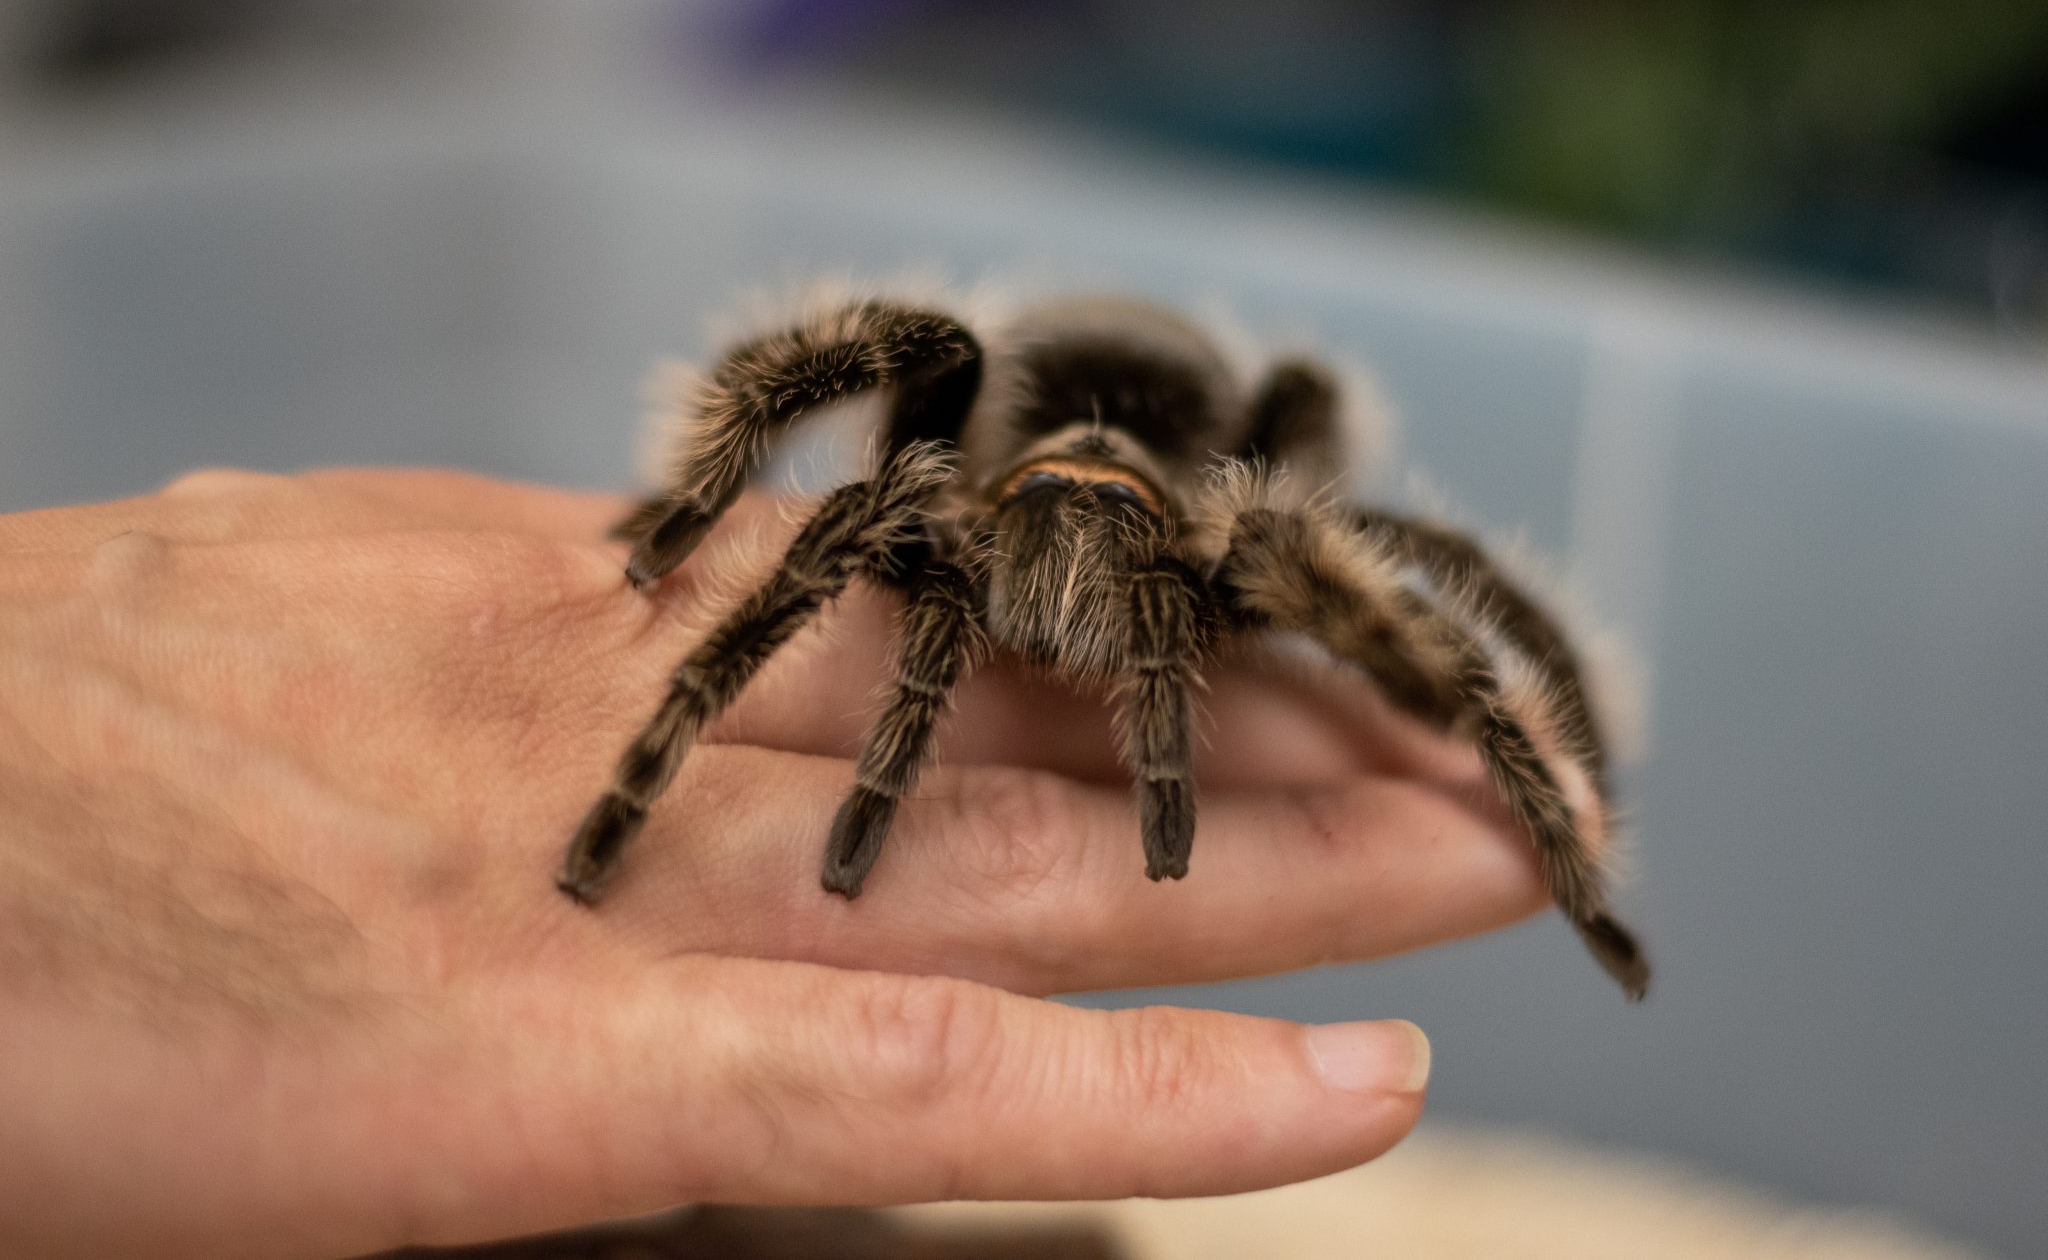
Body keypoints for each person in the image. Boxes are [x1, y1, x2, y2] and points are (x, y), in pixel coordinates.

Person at [0, 467, 1561, 1259]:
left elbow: (1382, 559)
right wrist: (685, 552)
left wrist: (1474, 693)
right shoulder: (929, 517)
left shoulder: (1211, 550)